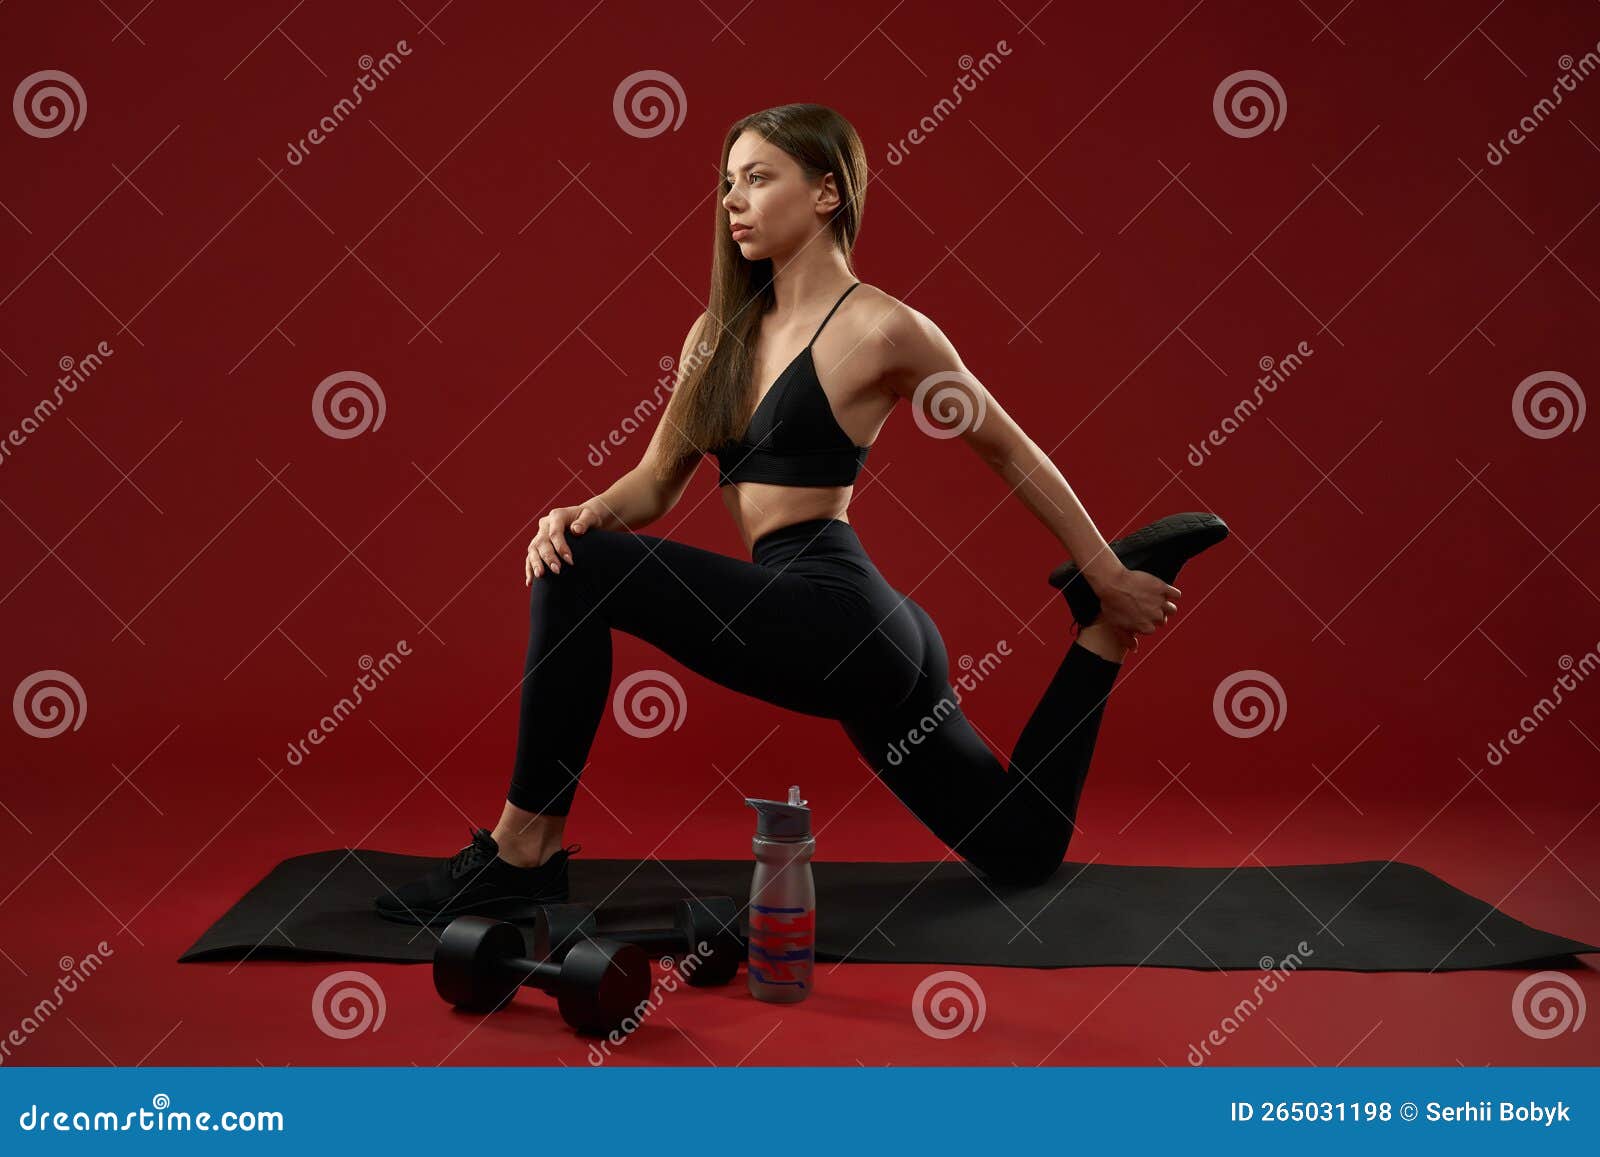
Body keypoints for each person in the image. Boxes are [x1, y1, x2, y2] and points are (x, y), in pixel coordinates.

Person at [375, 103, 1227, 927]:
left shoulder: (884, 327)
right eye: (726, 183)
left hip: (845, 617)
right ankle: (1096, 637)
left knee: (584, 573)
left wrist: (1109, 565)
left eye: (757, 177)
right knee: (1022, 847)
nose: (731, 200)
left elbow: (1009, 449)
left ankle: (524, 851)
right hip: (839, 625)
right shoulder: (716, 332)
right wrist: (585, 508)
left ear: (828, 192)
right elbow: (654, 484)